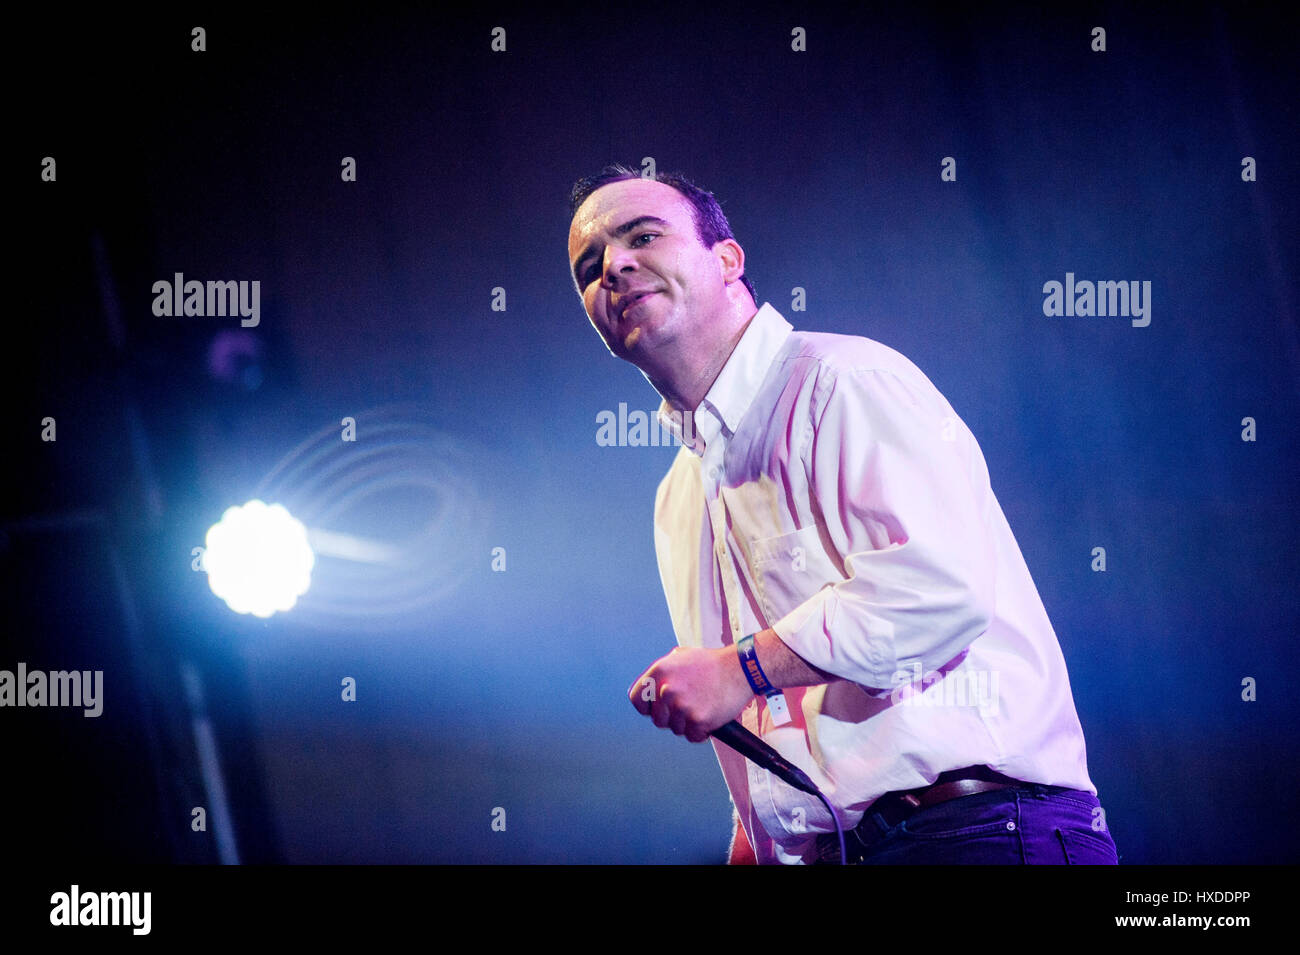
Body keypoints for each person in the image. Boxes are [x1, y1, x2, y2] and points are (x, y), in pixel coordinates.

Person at [567, 163, 1119, 865]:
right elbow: (764, 731)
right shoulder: (677, 499)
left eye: (642, 235)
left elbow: (941, 586)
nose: (613, 264)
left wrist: (741, 668)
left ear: (728, 259)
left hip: (976, 829)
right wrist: (756, 838)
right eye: (589, 266)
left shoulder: (844, 381)